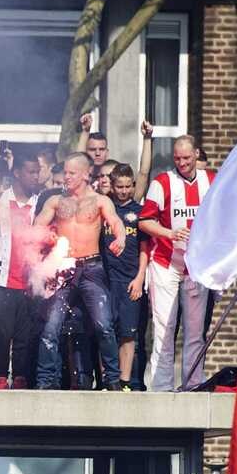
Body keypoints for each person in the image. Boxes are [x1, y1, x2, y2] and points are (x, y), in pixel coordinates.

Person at [32, 153, 128, 391]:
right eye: (65, 172)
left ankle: (113, 380)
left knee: (104, 326)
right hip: (63, 268)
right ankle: (45, 381)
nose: (66, 177)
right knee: (50, 328)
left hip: (91, 268)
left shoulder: (99, 201)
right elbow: (36, 226)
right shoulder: (56, 201)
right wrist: (47, 235)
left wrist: (121, 237)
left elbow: (116, 221)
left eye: (72, 173)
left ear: (85, 174)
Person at [139, 133, 215, 391]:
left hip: (196, 267)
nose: (181, 163)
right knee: (164, 328)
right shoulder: (163, 182)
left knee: (195, 331)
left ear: (196, 154)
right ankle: (161, 387)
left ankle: (193, 383)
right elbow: (144, 221)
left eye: (186, 158)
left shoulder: (212, 180)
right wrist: (169, 233)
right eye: (177, 159)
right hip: (165, 263)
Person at [0, 152, 42, 388]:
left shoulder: (39, 204)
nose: (36, 177)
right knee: (0, 333)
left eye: (38, 172)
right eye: (31, 172)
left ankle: (20, 377)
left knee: (24, 335)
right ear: (17, 173)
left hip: (29, 282)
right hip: (1, 278)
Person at [101, 165, 148, 389]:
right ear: (112, 184)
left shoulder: (140, 212)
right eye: (119, 186)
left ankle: (125, 381)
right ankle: (107, 380)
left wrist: (140, 278)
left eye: (128, 186)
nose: (123, 191)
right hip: (106, 280)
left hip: (130, 280)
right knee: (105, 330)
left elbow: (145, 249)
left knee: (128, 333)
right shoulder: (104, 208)